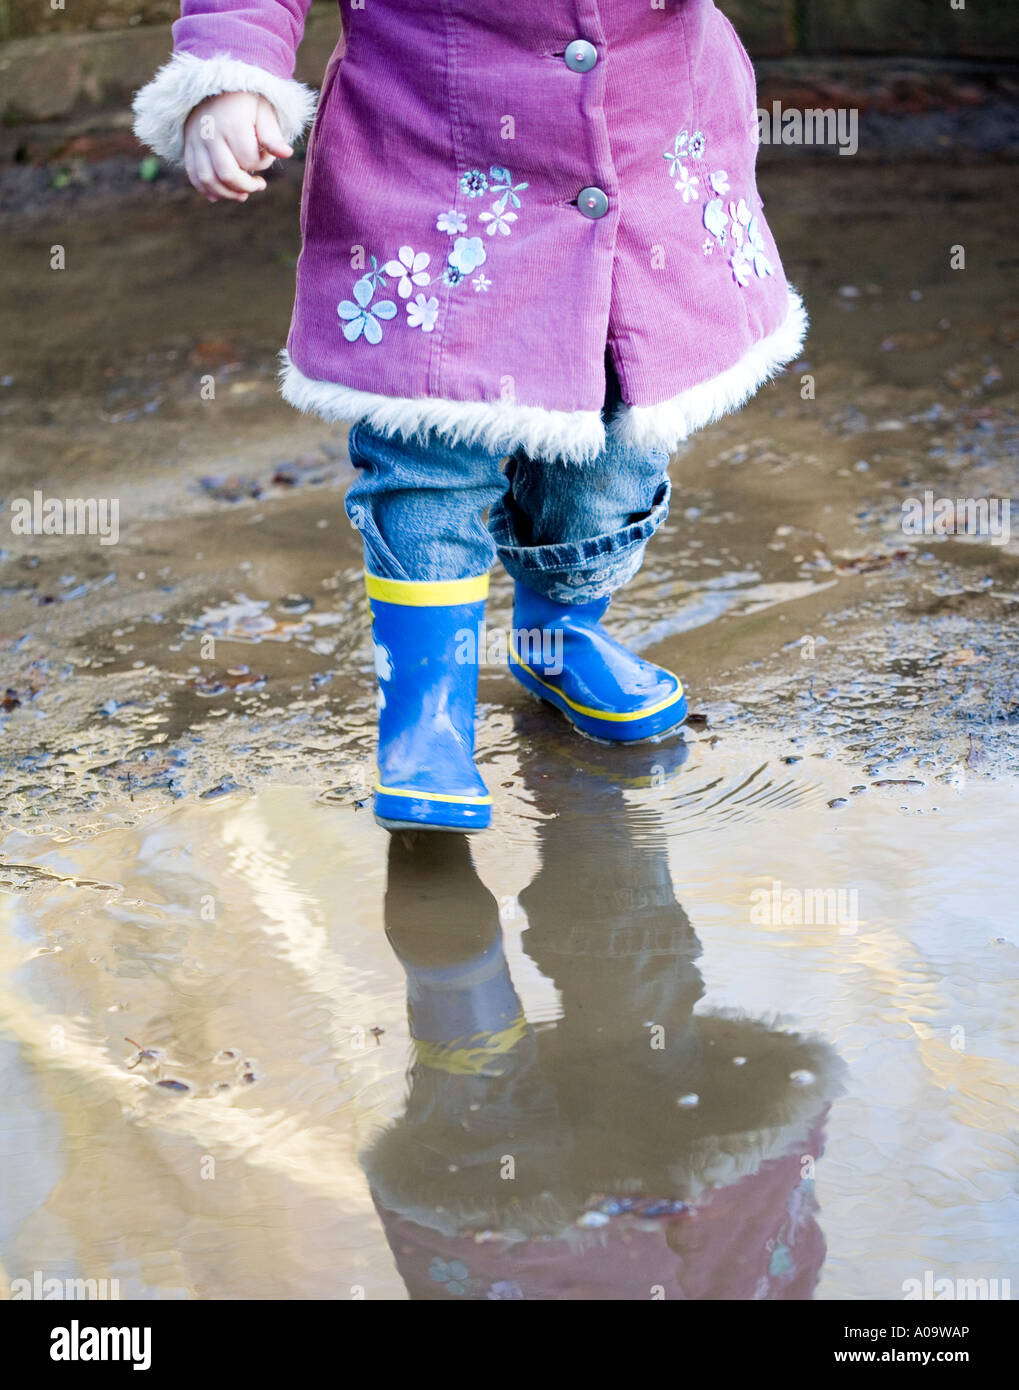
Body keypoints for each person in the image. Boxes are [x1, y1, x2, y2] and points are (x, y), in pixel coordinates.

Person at [133, 1, 807, 831]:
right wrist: (229, 74)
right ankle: (426, 713)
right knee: (429, 448)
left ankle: (562, 630)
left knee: (617, 425)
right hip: (434, 163)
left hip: (645, 142)